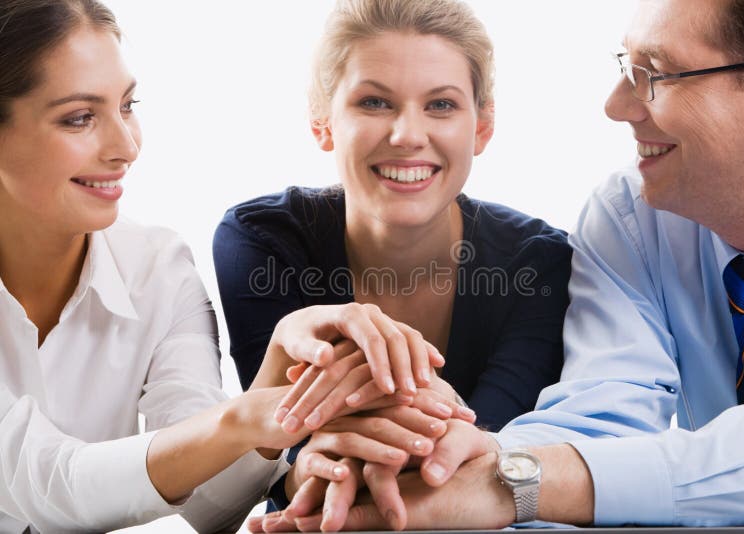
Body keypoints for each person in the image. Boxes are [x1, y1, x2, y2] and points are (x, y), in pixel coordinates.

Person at [253, 0, 744, 530]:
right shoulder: (635, 218)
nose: (614, 104)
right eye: (625, 66)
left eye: (655, 73)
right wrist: (455, 462)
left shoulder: (534, 254)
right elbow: (603, 417)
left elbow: (560, 475)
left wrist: (521, 482)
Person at [0, 2, 455, 532]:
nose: (126, 147)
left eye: (127, 105)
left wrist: (281, 370)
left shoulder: (156, 267)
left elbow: (211, 508)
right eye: (80, 117)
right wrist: (258, 415)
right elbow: (48, 483)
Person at [213, 0, 571, 434]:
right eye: (375, 102)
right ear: (322, 121)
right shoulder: (263, 241)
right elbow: (280, 453)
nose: (407, 136)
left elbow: (490, 448)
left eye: (440, 105)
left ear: (482, 127)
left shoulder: (539, 262)